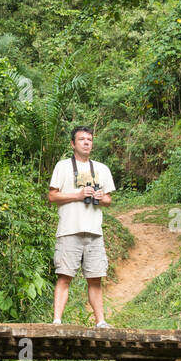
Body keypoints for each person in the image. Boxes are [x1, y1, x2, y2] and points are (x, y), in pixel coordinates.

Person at [47, 126, 115, 326]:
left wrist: (101, 197)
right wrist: (78, 195)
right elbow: (52, 196)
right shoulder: (63, 166)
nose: (86, 142)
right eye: (82, 139)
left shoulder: (102, 169)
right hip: (69, 229)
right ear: (73, 144)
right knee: (64, 276)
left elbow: (109, 200)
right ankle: (57, 320)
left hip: (94, 231)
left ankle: (100, 322)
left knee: (95, 278)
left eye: (90, 139)